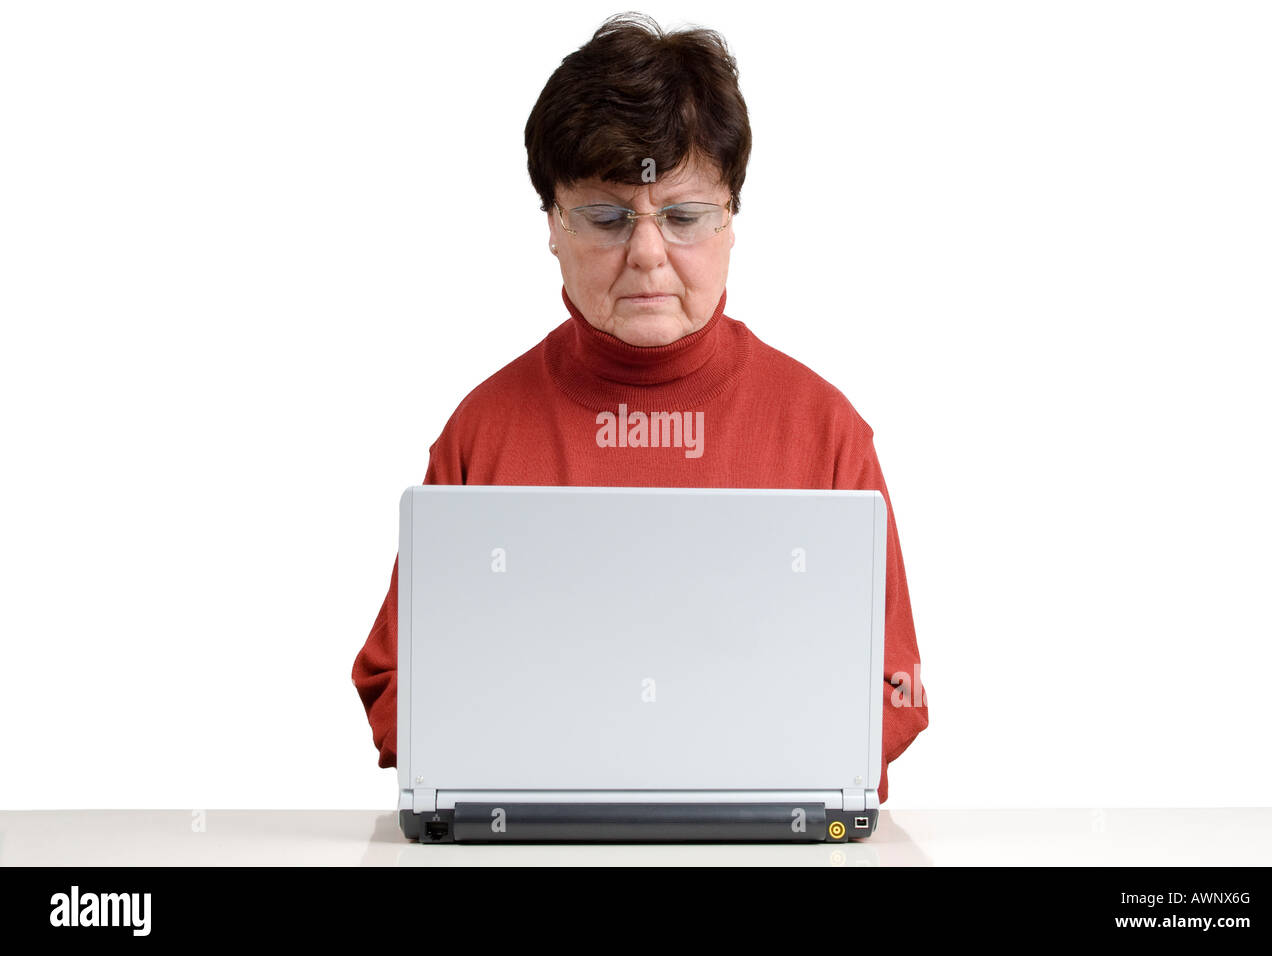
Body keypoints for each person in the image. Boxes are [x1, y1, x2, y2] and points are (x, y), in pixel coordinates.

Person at [351, 12, 928, 804]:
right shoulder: (481, 432)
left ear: (733, 221)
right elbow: (393, 684)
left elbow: (897, 690)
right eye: (608, 217)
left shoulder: (825, 431)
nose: (649, 254)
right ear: (553, 224)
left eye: (685, 217)